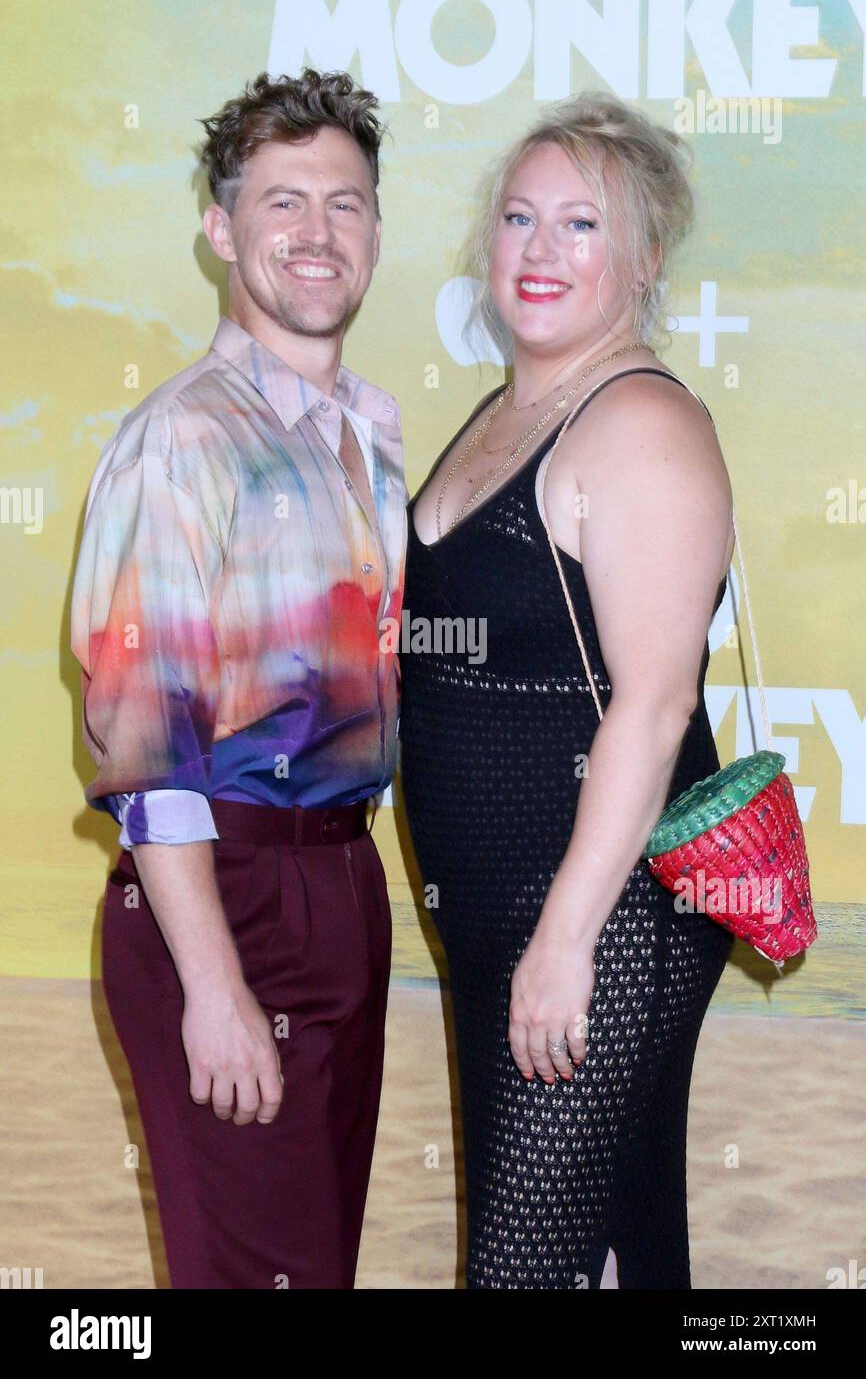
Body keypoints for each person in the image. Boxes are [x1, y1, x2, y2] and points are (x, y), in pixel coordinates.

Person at [70, 69, 406, 1289]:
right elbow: (146, 741)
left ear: (376, 227)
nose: (317, 234)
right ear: (220, 230)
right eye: (281, 203)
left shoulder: (363, 437)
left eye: (346, 203)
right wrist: (214, 986)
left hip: (341, 885)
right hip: (222, 896)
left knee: (306, 1269)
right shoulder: (183, 441)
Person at [398, 91, 736, 1289]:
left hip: (600, 920)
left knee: (525, 1272)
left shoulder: (635, 423)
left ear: (643, 260)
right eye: (518, 218)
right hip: (506, 918)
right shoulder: (507, 411)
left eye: (581, 226)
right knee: (623, 1252)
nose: (539, 251)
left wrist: (564, 938)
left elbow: (651, 708)